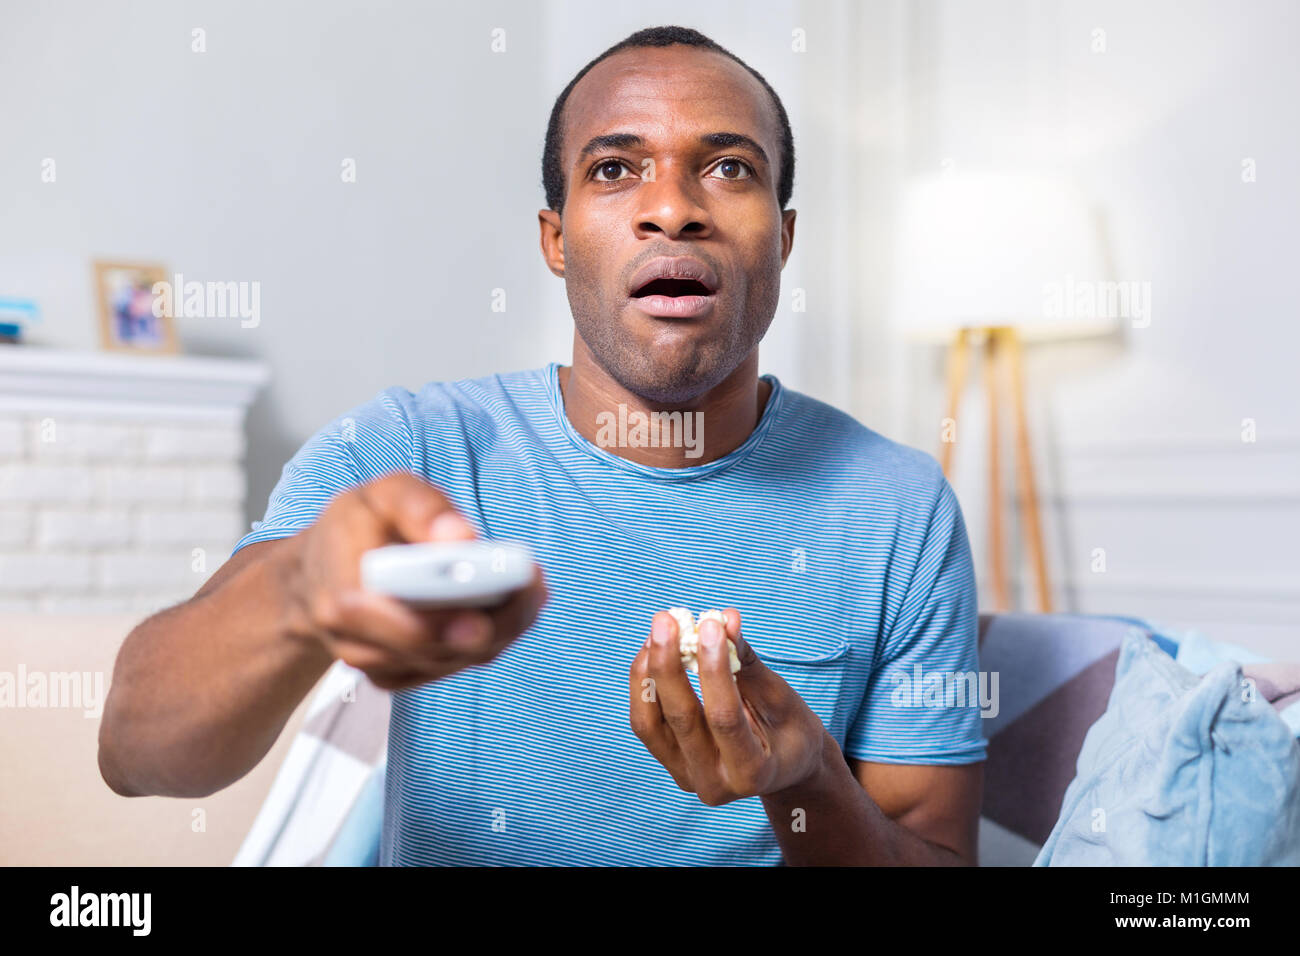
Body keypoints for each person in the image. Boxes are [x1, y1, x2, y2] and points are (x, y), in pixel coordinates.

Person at [98, 25, 986, 866]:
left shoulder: (899, 508)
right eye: (614, 168)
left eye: (727, 167)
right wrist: (299, 594)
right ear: (556, 242)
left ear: (784, 239)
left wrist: (806, 778)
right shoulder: (407, 450)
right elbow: (137, 749)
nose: (672, 208)